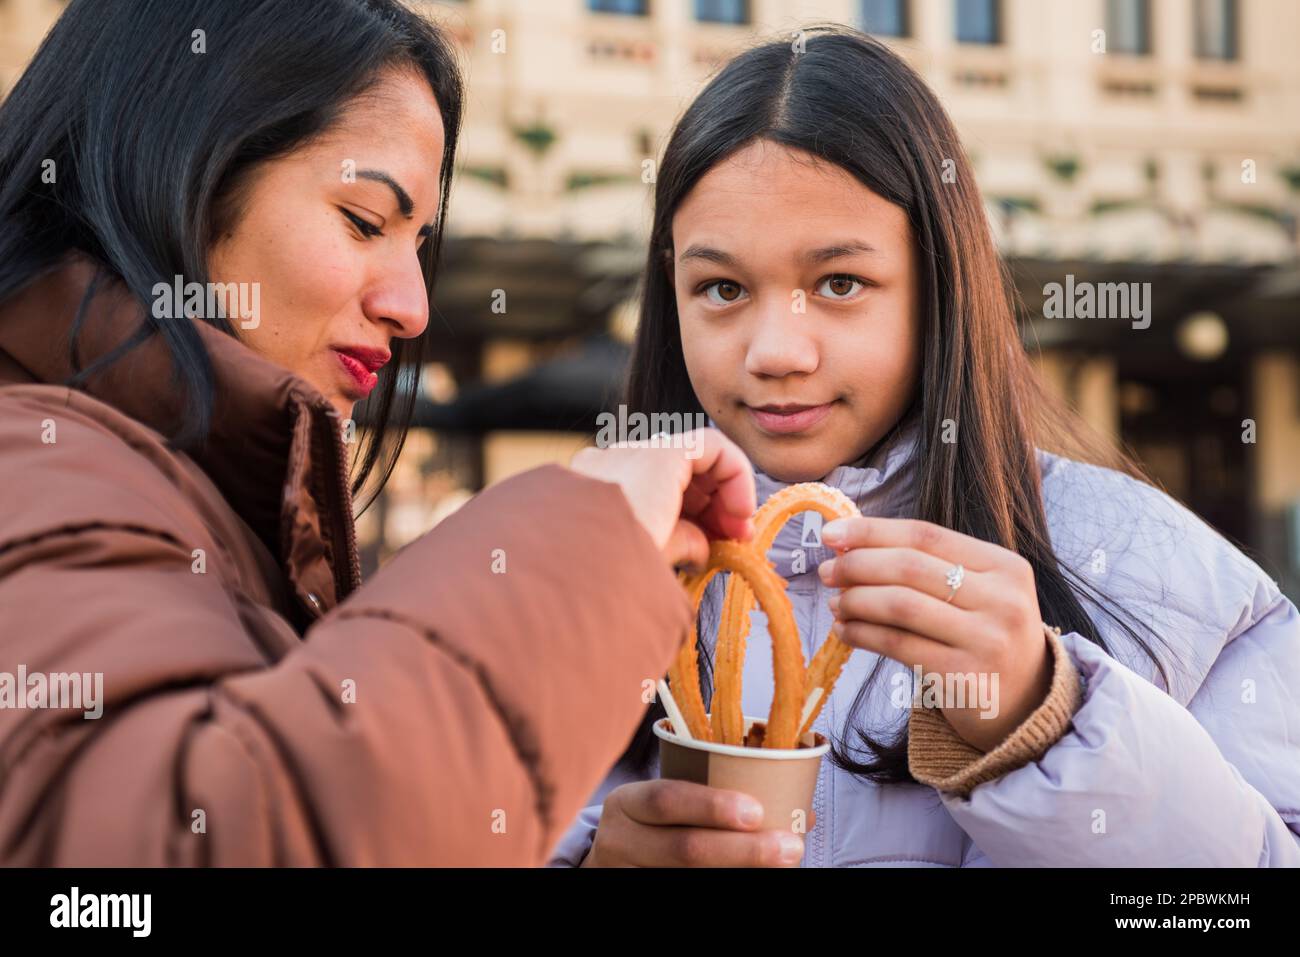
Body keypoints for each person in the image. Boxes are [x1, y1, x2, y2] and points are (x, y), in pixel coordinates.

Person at [0, 0, 756, 866]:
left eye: (420, 242)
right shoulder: (37, 461)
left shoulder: (190, 496)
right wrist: (578, 546)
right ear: (179, 172)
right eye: (363, 221)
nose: (412, 306)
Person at [553, 28, 1300, 867]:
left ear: (939, 289)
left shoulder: (1160, 575)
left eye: (840, 283)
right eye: (721, 288)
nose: (776, 350)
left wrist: (1045, 721)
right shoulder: (575, 590)